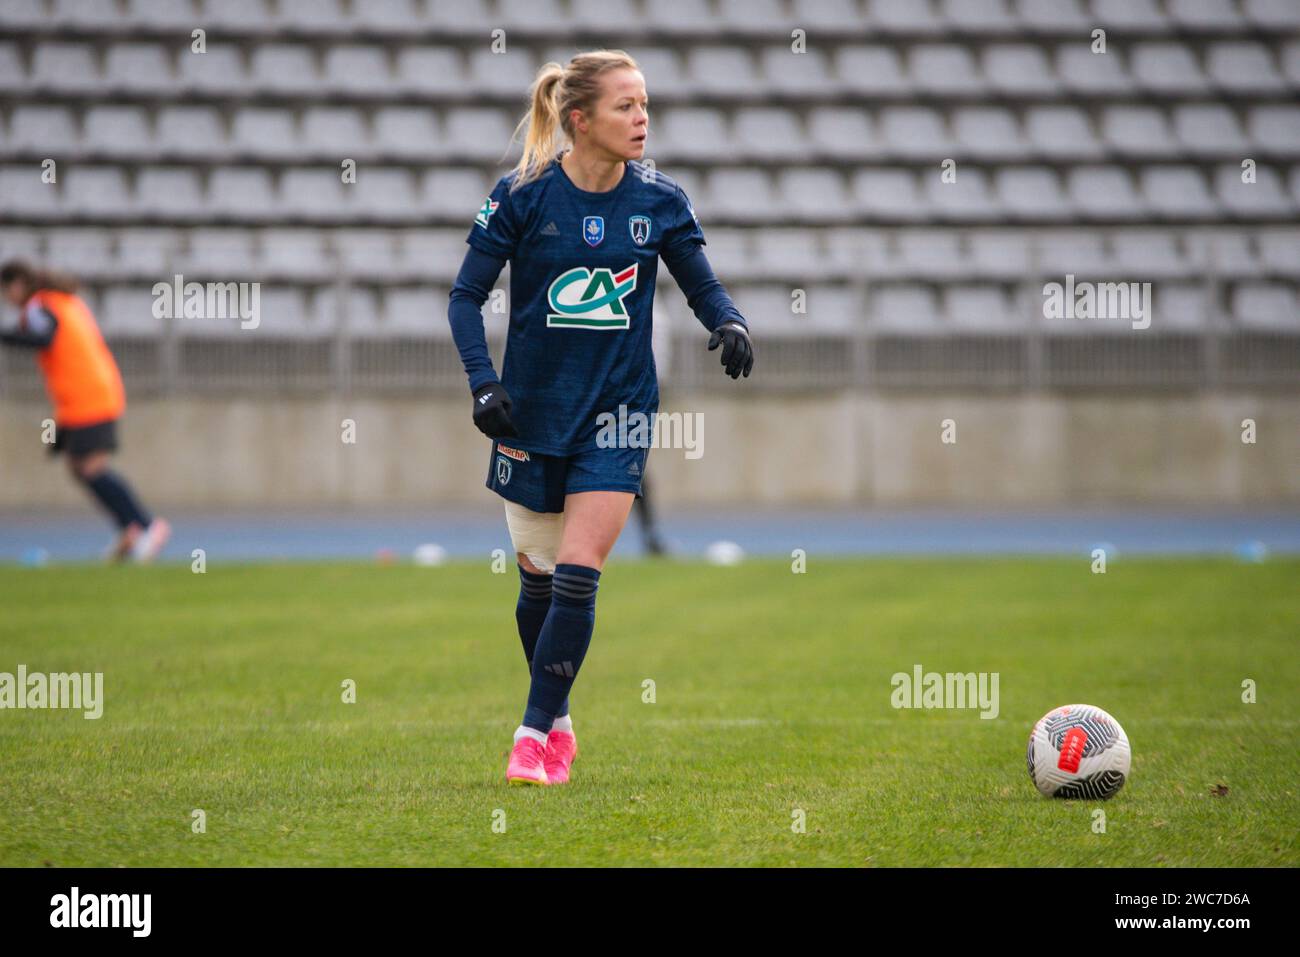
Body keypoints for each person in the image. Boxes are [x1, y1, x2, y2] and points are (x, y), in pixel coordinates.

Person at [448, 50, 754, 786]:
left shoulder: (659, 199)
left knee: (578, 575)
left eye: (645, 103)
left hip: (618, 416)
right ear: (579, 119)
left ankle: (529, 736)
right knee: (538, 582)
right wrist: (483, 385)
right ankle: (558, 715)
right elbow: (464, 298)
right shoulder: (521, 196)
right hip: (530, 415)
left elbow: (700, 283)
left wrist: (731, 322)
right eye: (626, 106)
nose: (643, 117)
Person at [0, 260, 169, 561]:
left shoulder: (40, 305)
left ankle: (145, 526)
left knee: (90, 468)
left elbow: (44, 337)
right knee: (80, 467)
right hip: (86, 396)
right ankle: (130, 530)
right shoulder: (62, 301)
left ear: (17, 286)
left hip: (88, 396)